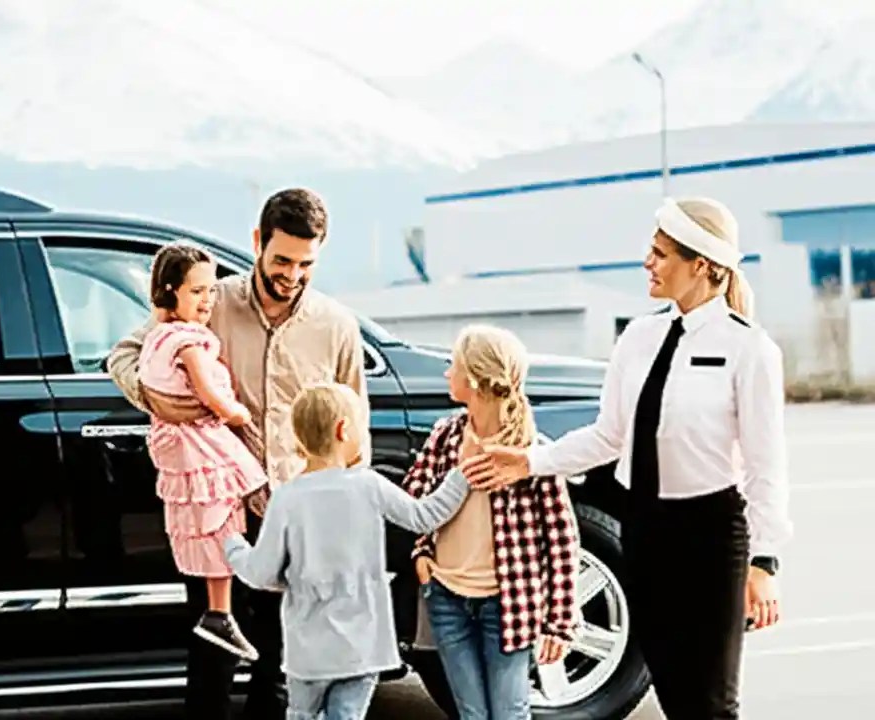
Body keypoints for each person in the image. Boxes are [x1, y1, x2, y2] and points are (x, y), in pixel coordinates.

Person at [463, 197, 793, 719]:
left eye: (660, 254)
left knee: (711, 700)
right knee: (671, 689)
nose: (647, 262)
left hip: (711, 535)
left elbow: (764, 466)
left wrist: (764, 561)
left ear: (701, 265)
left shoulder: (749, 349)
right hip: (645, 531)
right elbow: (608, 436)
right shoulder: (639, 338)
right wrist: (529, 461)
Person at [106, 188, 367, 719]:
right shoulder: (209, 301)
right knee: (212, 656)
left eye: (305, 263)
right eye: (281, 260)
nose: (291, 275)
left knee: (281, 666)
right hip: (218, 512)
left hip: (293, 514)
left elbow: (353, 428)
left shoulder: (336, 326)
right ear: (257, 242)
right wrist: (160, 399)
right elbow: (127, 354)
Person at [224, 383, 471, 720]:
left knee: (301, 715)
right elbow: (424, 516)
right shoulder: (368, 485)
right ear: (343, 429)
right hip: (363, 647)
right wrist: (462, 475)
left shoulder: (287, 498)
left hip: (308, 652)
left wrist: (234, 546)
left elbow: (262, 573)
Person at [401, 324, 579, 720]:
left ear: (477, 379)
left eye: (454, 365)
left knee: (509, 711)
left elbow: (562, 538)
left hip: (509, 602)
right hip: (446, 594)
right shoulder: (445, 436)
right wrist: (422, 554)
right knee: (470, 712)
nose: (447, 373)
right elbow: (413, 500)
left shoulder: (532, 453)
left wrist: (560, 622)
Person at [137, 242, 269, 661]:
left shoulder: (157, 337)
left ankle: (220, 611)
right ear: (171, 290)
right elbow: (206, 388)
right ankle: (221, 611)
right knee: (226, 513)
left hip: (180, 444)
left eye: (211, 291)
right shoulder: (189, 339)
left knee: (201, 523)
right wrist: (234, 412)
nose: (208, 301)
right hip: (203, 442)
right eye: (197, 292)